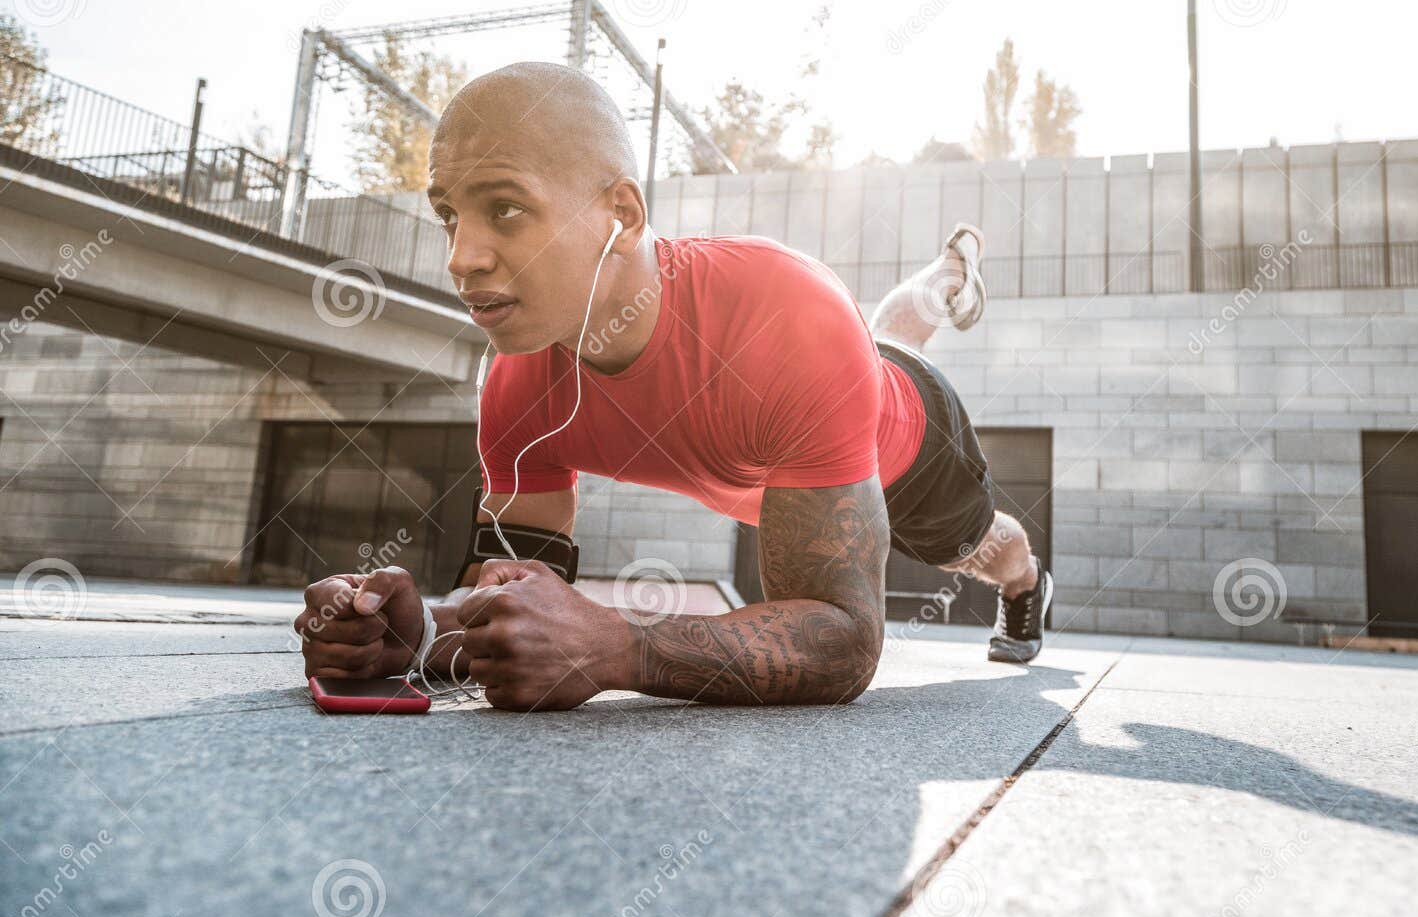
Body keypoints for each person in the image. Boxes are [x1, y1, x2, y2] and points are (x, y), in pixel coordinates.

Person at [297, 62, 1052, 711]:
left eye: (505, 209)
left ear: (621, 214)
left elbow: (846, 639)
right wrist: (419, 633)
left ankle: (1029, 586)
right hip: (843, 376)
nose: (461, 258)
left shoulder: (787, 315)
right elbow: (509, 601)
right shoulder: (517, 380)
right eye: (447, 217)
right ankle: (940, 283)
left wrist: (618, 648)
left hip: (911, 447)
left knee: (980, 547)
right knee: (886, 331)